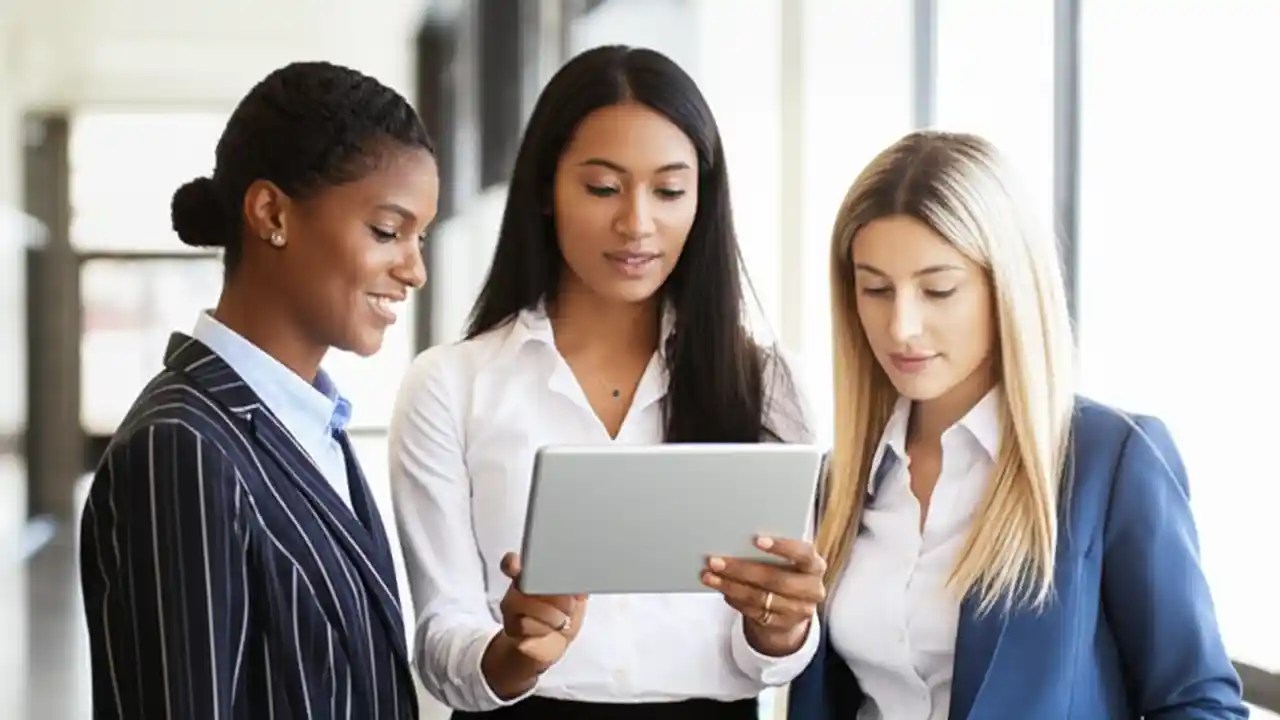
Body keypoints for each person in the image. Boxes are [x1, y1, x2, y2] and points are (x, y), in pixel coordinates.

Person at [389, 45, 824, 720]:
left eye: (670, 191)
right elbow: (440, 633)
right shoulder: (452, 386)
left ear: (703, 201)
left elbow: (773, 653)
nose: (637, 223)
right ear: (543, 191)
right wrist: (514, 651)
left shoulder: (765, 382)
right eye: (602, 188)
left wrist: (782, 626)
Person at [786, 130, 1247, 719]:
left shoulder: (1110, 461)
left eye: (938, 289)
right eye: (876, 289)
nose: (901, 326)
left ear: (1006, 287)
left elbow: (1197, 702)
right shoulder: (841, 482)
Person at [78, 61, 438, 719]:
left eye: (420, 237)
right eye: (387, 231)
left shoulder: (311, 428)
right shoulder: (181, 447)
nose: (414, 269)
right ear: (272, 213)